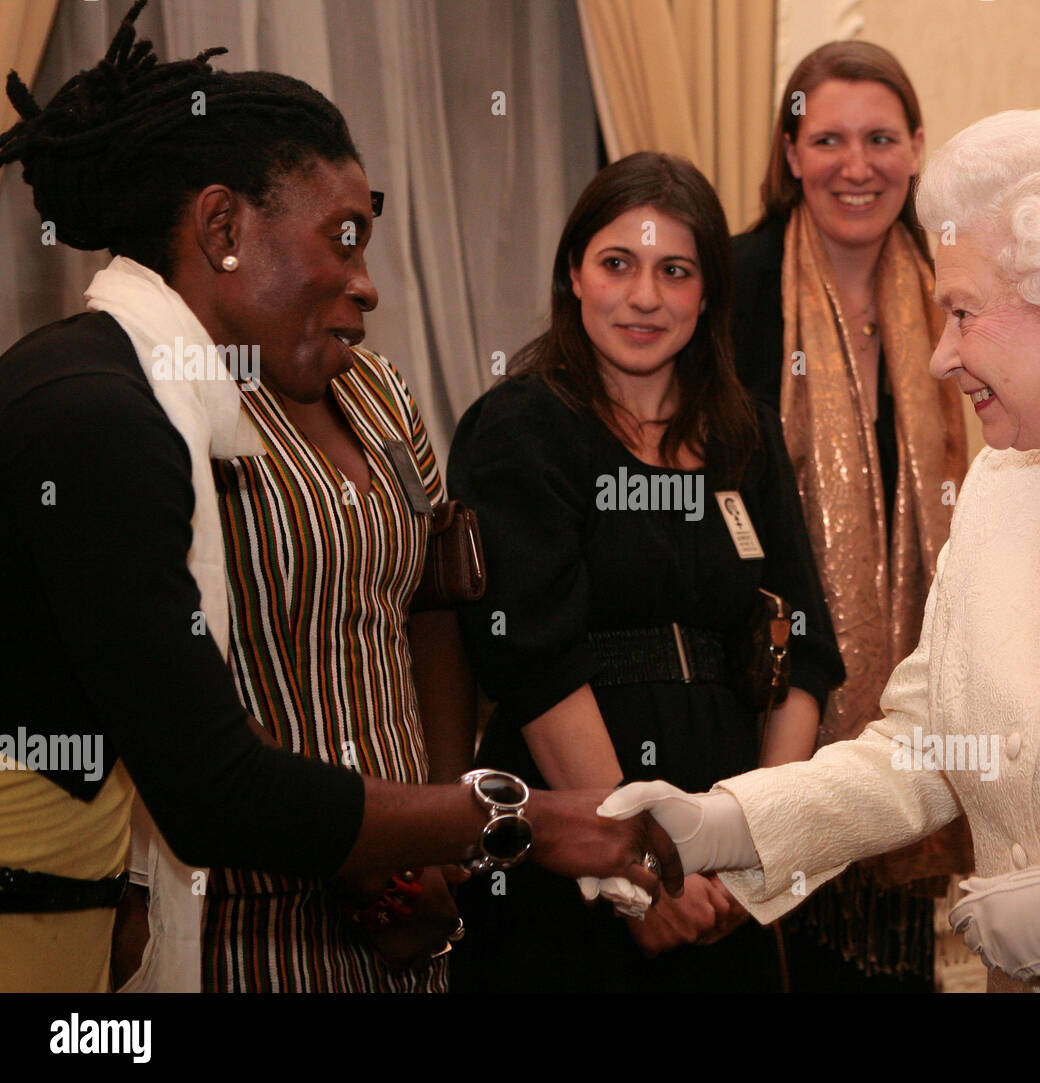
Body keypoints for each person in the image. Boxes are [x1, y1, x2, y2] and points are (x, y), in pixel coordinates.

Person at [0, 0, 680, 994]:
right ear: (223, 227)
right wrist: (519, 816)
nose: (368, 284)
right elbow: (214, 790)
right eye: (343, 239)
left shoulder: (123, 387)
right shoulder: (97, 413)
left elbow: (429, 608)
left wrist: (443, 829)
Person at [599, 108, 1040, 993]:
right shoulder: (1003, 484)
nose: (940, 358)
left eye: (962, 313)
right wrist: (720, 823)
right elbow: (926, 747)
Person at [447, 151, 845, 992]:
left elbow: (804, 648)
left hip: (727, 869)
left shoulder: (746, 435)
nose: (644, 297)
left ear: (708, 294)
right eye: (617, 263)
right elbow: (536, 663)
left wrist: (754, 840)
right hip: (571, 861)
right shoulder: (522, 427)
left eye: (675, 271)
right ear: (574, 275)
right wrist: (636, 870)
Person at [730, 40, 970, 989]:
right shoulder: (735, 284)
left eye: (880, 138)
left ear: (917, 149)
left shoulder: (954, 291)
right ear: (791, 152)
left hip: (916, 691)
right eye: (828, 139)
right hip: (765, 694)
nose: (855, 165)